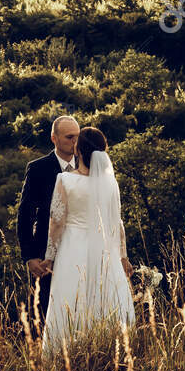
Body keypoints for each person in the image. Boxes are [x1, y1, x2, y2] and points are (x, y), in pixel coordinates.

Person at [40, 126, 134, 355]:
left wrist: (49, 258)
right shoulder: (110, 183)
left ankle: (66, 356)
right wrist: (123, 257)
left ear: (78, 149)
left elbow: (57, 222)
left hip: (73, 247)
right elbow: (117, 223)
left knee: (71, 298)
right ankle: (107, 353)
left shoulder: (65, 180)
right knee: (104, 297)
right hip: (104, 248)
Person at [17, 115, 80, 331]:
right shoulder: (38, 168)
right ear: (54, 138)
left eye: (78, 136)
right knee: (46, 308)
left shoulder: (88, 167)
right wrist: (30, 255)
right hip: (46, 252)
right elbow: (25, 213)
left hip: (82, 248)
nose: (75, 142)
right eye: (69, 137)